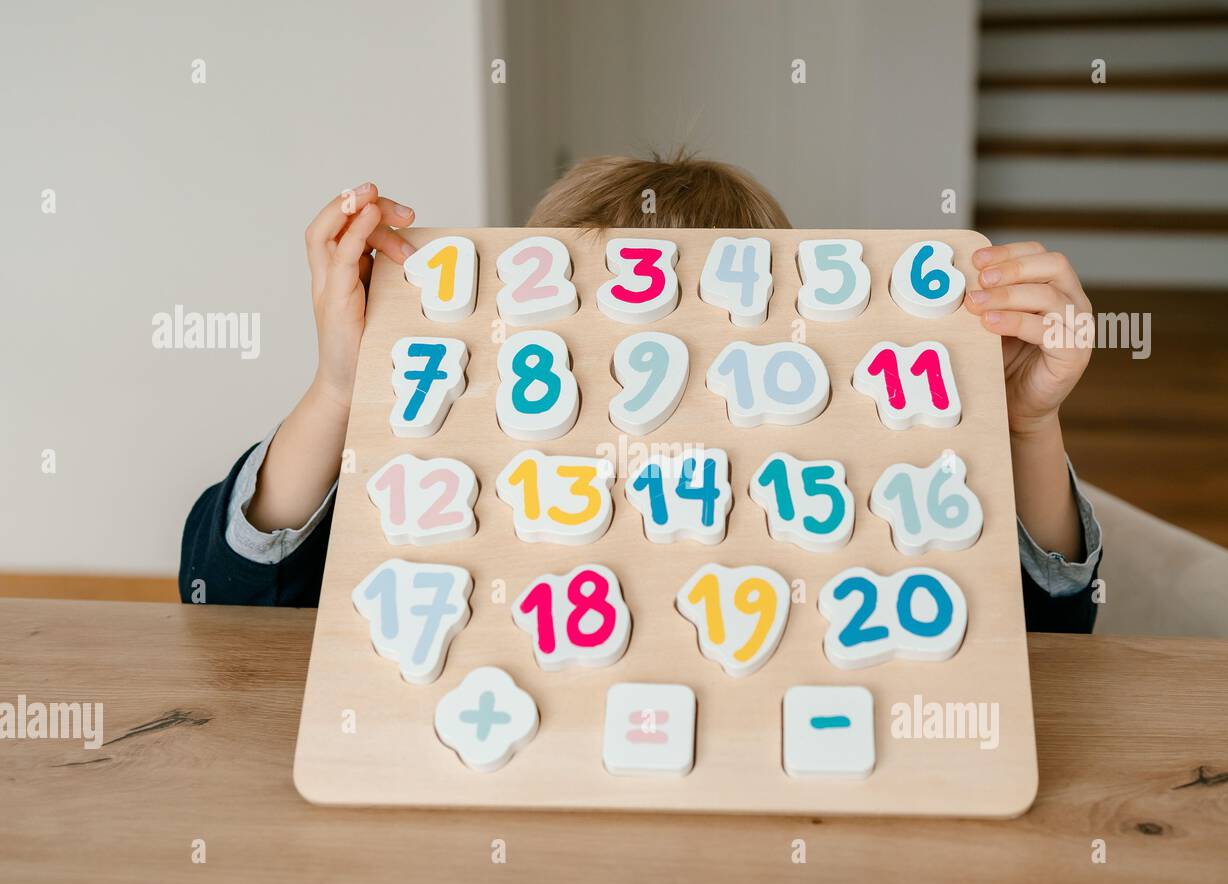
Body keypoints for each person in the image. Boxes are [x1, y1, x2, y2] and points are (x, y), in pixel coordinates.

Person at [180, 154, 1101, 631]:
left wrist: (1025, 426)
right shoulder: (465, 480)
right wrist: (343, 387)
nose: (648, 390)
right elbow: (221, 598)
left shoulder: (826, 495)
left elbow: (1046, 637)